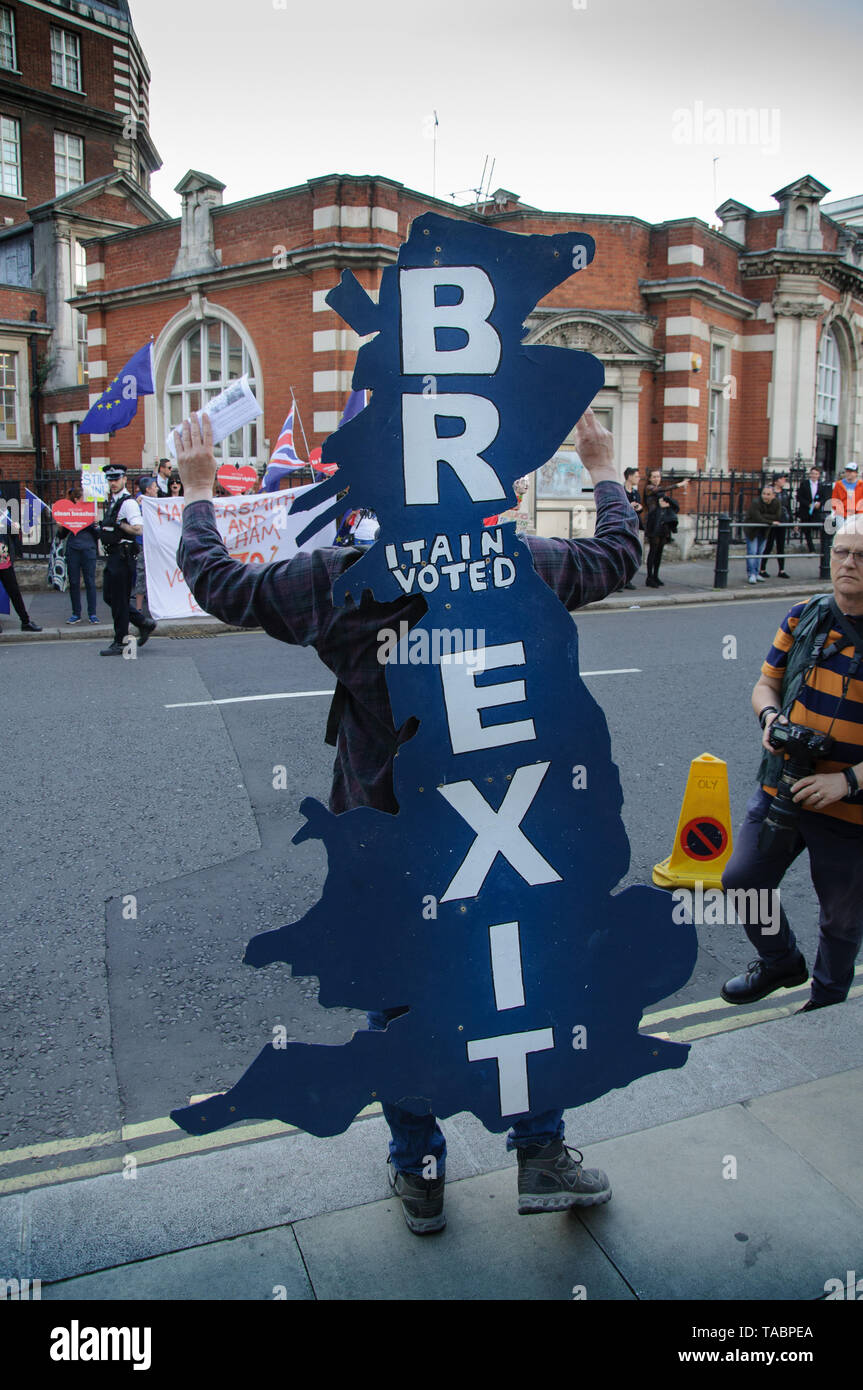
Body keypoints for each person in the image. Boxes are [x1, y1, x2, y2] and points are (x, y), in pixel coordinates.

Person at [172, 406, 639, 1232]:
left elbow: (217, 582)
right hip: (498, 831)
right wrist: (603, 469)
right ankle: (538, 1153)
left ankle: (419, 1175)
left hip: (384, 842)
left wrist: (201, 491)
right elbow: (614, 556)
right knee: (515, 986)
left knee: (396, 999)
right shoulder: (517, 566)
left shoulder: (334, 580)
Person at [720, 513, 863, 1011]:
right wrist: (770, 717)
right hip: (784, 783)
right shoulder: (804, 616)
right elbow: (766, 684)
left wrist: (846, 782)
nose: (848, 563)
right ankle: (781, 960)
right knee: (743, 880)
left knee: (842, 919)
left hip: (850, 809)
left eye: (861, 555)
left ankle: (824, 1005)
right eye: (842, 551)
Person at [96, 464, 156, 655]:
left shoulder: (127, 503)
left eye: (116, 479)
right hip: (114, 556)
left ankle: (121, 641)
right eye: (110, 479)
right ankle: (142, 622)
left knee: (119, 600)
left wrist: (120, 525)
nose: (113, 483)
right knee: (110, 597)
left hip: (123, 556)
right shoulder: (114, 501)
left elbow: (138, 528)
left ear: (124, 479)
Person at [57, 484, 100, 625]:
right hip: (73, 549)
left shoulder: (90, 513)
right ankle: (76, 613)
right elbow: (62, 535)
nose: (86, 502)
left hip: (88, 550)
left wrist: (96, 524)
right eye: (83, 499)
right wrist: (60, 526)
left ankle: (92, 614)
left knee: (90, 581)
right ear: (76, 499)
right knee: (74, 582)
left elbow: (98, 534)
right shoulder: (69, 513)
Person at [0, 510, 42, 634]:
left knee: (15, 593)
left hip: (5, 562)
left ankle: (25, 622)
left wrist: (14, 529)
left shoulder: (2, 516)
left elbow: (11, 538)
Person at [642, 469, 679, 587]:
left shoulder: (660, 492)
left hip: (662, 522)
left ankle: (656, 576)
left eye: (658, 477)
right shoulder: (649, 488)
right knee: (653, 550)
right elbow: (660, 494)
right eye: (654, 477)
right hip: (653, 523)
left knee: (659, 551)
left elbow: (666, 505)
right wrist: (679, 485)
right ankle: (649, 577)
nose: (656, 479)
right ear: (649, 478)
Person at [132, 476, 158, 627]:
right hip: (142, 544)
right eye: (154, 486)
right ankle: (139, 608)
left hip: (153, 544)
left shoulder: (154, 502)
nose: (157, 489)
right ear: (148, 489)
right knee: (142, 574)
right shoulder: (138, 503)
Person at [743, 484, 779, 584]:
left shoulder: (776, 503)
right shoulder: (756, 502)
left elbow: (777, 516)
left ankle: (756, 572)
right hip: (752, 530)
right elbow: (757, 518)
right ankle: (751, 574)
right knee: (752, 552)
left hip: (764, 531)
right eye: (764, 494)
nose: (765, 496)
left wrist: (765, 518)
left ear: (773, 495)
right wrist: (771, 521)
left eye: (768, 494)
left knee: (759, 553)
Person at [759, 473, 791, 578]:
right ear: (776, 481)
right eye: (782, 479)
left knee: (781, 546)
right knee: (768, 545)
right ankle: (762, 569)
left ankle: (781, 570)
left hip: (782, 521)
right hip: (772, 522)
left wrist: (792, 521)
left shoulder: (785, 493)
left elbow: (788, 507)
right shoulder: (769, 492)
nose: (784, 480)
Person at [797, 465, 830, 553]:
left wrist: (820, 503)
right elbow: (799, 497)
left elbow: (824, 497)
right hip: (806, 510)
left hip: (816, 511)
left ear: (819, 475)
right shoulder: (804, 484)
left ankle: (823, 548)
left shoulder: (821, 485)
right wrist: (809, 504)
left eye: (816, 474)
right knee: (807, 531)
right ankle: (811, 549)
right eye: (812, 473)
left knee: (819, 529)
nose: (814, 475)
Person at [622, 467, 643, 590]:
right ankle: (619, 582)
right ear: (629, 476)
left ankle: (627, 580)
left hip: (633, 526)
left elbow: (640, 509)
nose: (638, 478)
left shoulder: (635, 493)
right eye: (636, 476)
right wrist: (629, 506)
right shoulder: (620, 491)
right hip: (623, 526)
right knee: (622, 554)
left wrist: (639, 508)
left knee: (631, 554)